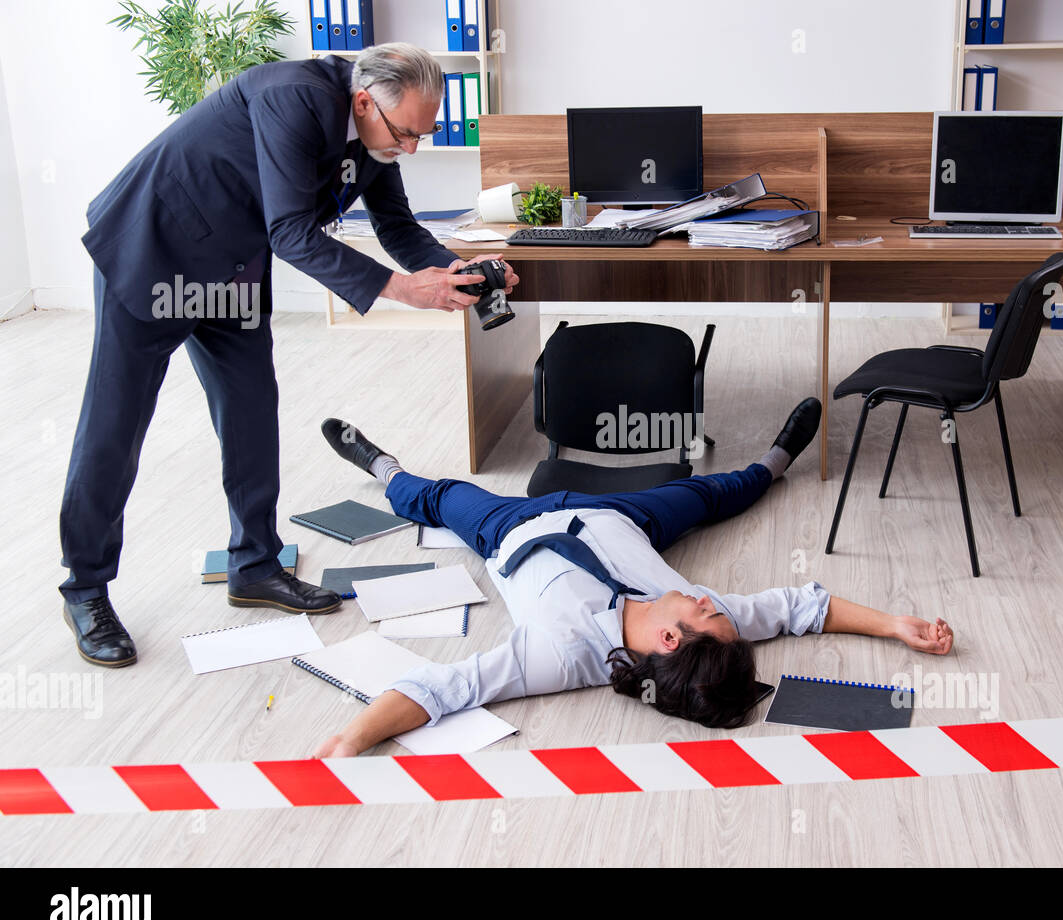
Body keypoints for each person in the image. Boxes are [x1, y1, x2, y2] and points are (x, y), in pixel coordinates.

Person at [60, 43, 518, 667]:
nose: (411, 148)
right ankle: (85, 589)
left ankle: (253, 565)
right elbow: (292, 231)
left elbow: (399, 228)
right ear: (363, 102)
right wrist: (403, 289)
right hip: (154, 251)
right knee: (115, 427)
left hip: (231, 267)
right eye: (407, 133)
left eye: (423, 135)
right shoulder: (292, 96)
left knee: (250, 411)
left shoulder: (377, 132)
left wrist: (459, 270)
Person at [311, 399, 954, 758]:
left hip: (512, 528)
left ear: (671, 641)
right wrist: (895, 625)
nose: (707, 599)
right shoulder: (717, 628)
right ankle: (774, 460)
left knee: (441, 495)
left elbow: (444, 686)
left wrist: (353, 739)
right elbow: (800, 608)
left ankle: (381, 466)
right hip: (625, 519)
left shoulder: (561, 658)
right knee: (712, 494)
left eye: (702, 611)